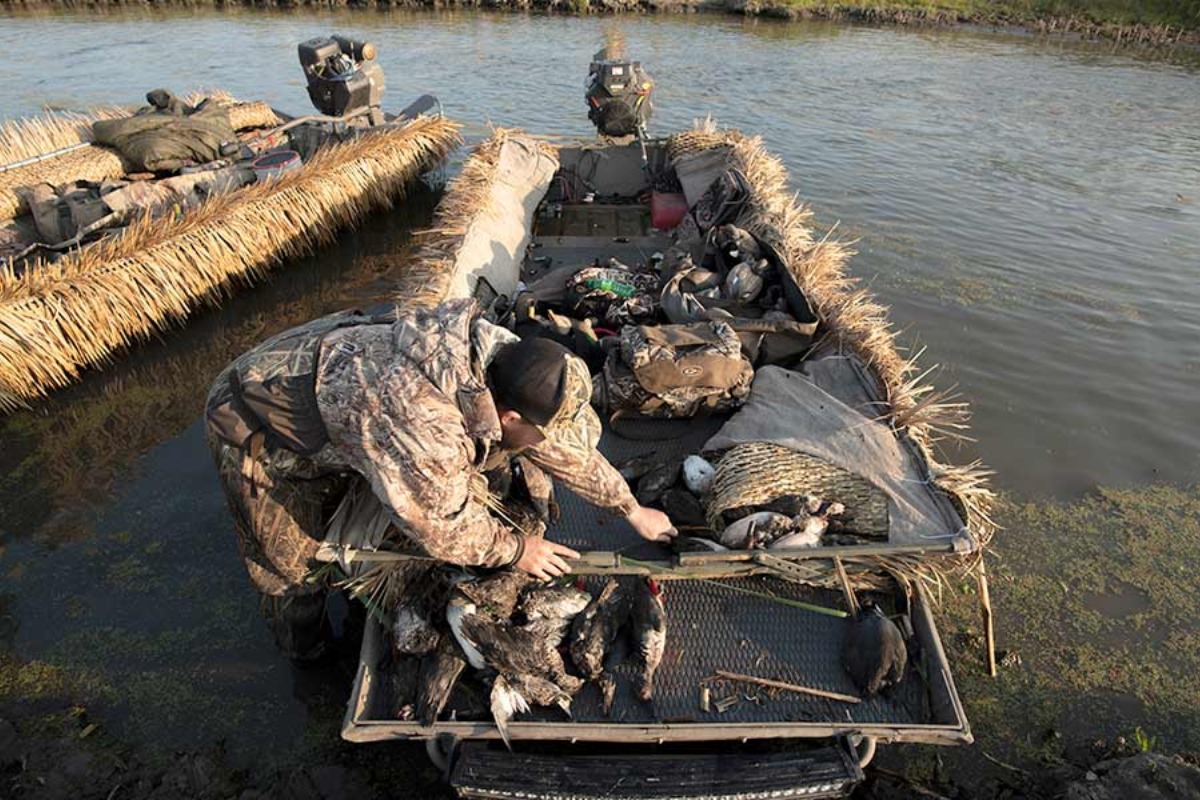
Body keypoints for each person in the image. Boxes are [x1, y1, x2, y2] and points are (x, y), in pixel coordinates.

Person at [205, 298, 676, 659]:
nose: (545, 443)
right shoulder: (425, 426)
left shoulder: (506, 358)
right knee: (291, 564)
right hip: (256, 419)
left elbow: (559, 447)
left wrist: (629, 508)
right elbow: (443, 528)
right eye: (538, 433)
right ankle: (306, 652)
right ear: (510, 416)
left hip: (340, 388)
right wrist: (518, 549)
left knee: (369, 476)